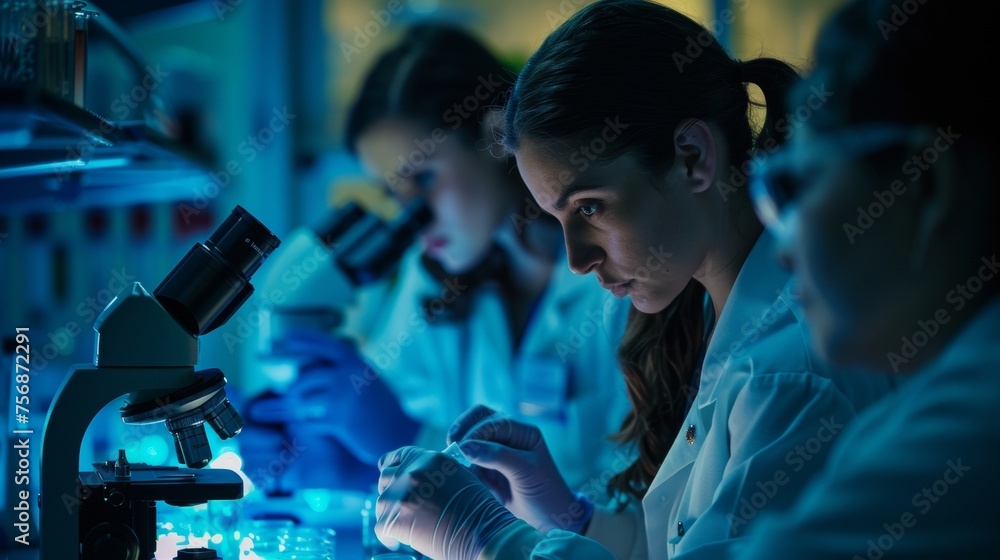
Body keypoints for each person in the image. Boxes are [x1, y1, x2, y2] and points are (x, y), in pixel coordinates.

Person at [372, 1, 897, 559]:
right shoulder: (708, 315)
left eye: (591, 208)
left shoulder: (790, 371)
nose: (575, 260)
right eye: (558, 218)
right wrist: (564, 513)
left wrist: (485, 540)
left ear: (693, 157)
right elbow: (687, 545)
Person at [722, 0, 1000, 557]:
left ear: (928, 185)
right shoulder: (931, 398)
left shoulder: (978, 415)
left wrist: (502, 529)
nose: (783, 253)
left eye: (801, 187)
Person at [343, 23, 634, 496]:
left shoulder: (618, 274)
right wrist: (342, 459)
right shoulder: (434, 272)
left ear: (496, 136)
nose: (411, 217)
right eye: (391, 193)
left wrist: (407, 439)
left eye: (423, 178)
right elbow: (391, 400)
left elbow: (643, 513)